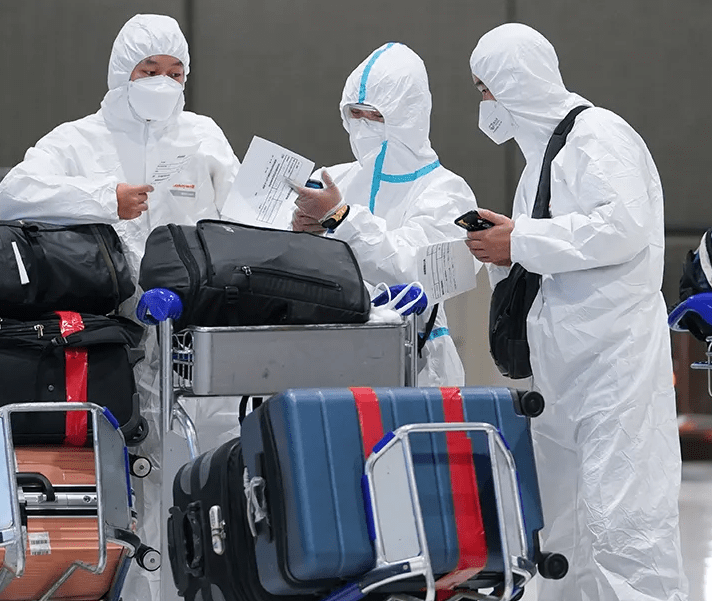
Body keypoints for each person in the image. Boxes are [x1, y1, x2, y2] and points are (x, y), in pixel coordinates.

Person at [0, 14, 241, 601]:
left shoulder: (203, 135)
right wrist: (103, 199)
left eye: (175, 72)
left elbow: (244, 214)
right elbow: (13, 194)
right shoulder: (78, 141)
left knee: (210, 482)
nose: (163, 83)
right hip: (112, 343)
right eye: (149, 70)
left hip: (196, 344)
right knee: (128, 488)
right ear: (120, 72)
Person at [465, 23, 687, 601]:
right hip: (559, 371)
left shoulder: (599, 135)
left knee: (625, 524)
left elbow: (622, 227)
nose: (484, 104)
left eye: (487, 89)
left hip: (613, 367)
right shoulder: (539, 163)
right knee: (563, 534)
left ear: (517, 82)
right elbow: (546, 257)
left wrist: (521, 241)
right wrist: (504, 249)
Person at [291, 42, 477, 386]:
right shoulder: (334, 179)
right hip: (329, 353)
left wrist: (340, 218)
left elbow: (416, 272)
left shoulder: (447, 192)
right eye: (356, 114)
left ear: (410, 115)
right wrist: (300, 233)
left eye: (376, 115)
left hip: (416, 362)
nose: (364, 126)